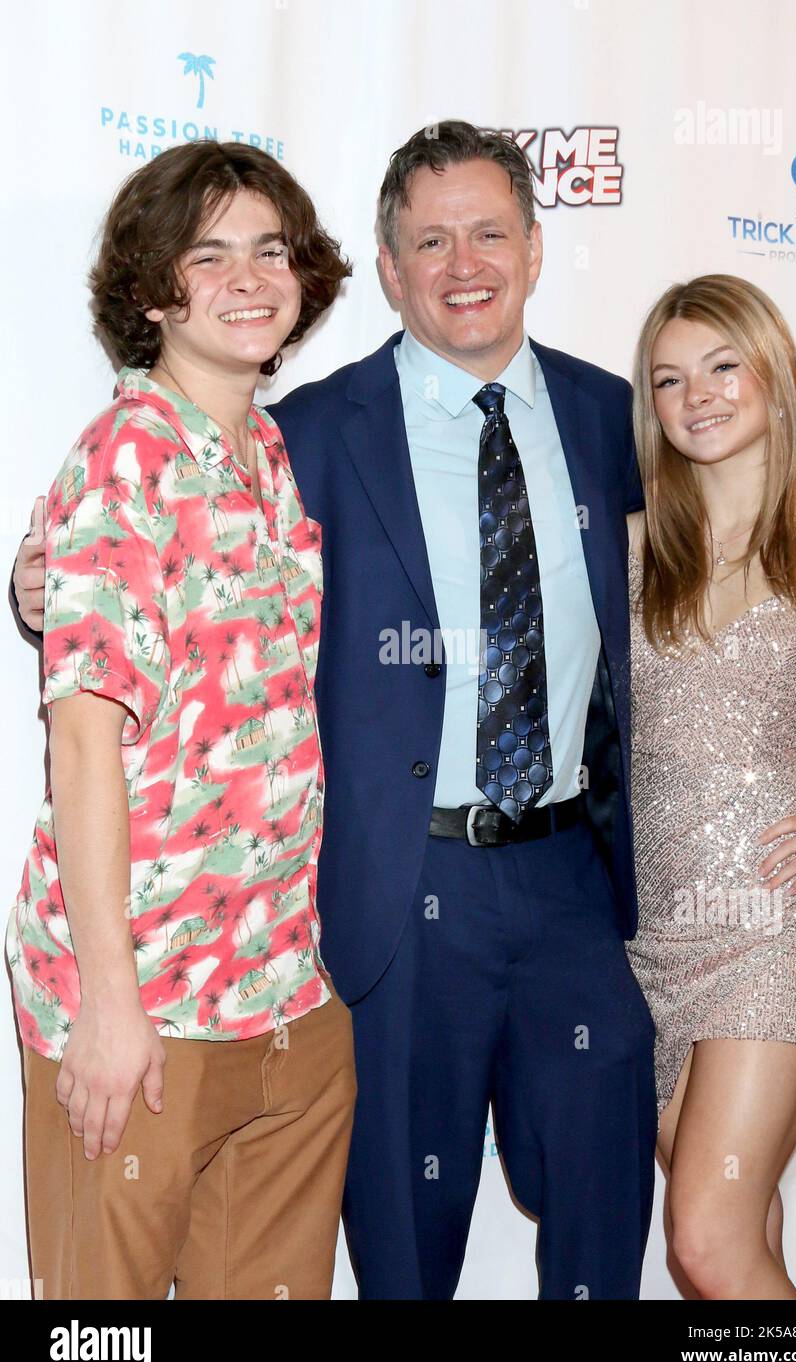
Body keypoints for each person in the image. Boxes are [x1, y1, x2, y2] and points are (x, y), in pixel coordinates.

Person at [15, 120, 656, 1301]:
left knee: (598, 1221)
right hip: (378, 902)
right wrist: (35, 575)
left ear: (533, 244)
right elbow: (93, 666)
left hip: (513, 894)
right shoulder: (312, 431)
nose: (462, 262)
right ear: (389, 263)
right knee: (364, 1257)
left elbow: (736, 532)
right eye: (427, 241)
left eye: (487, 233)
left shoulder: (607, 418)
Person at [6, 139, 356, 1300]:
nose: (249, 277)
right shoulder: (126, 460)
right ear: (154, 291)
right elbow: (83, 738)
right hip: (141, 1005)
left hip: (284, 997)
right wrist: (110, 1007)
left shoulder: (268, 453)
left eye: (269, 249)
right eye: (208, 256)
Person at [625, 273, 796, 1299]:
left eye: (723, 365)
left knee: (706, 1241)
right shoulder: (630, 550)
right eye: (670, 379)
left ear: (774, 372)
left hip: (775, 922)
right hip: (639, 939)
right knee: (740, 1230)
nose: (699, 396)